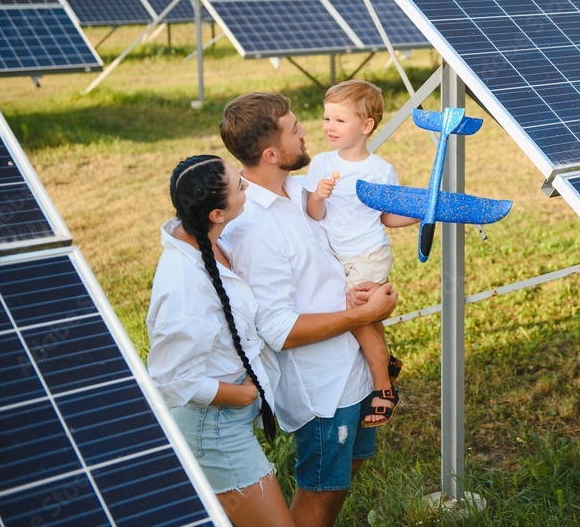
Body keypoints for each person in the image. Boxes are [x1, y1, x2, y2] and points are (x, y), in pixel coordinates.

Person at [219, 92, 398, 527]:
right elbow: (279, 329)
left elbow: (332, 267)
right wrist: (359, 317)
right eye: (295, 130)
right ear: (271, 153)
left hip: (350, 369)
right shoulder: (251, 228)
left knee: (344, 478)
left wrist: (363, 299)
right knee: (318, 499)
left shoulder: (298, 190)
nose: (307, 134)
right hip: (322, 389)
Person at [146, 155, 293, 527]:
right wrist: (244, 394)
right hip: (211, 429)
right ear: (216, 214)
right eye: (240, 185)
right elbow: (173, 378)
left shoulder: (211, 239)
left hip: (226, 421)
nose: (246, 183)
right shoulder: (184, 287)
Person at [304, 80, 418, 428]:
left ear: (366, 126)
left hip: (368, 254)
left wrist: (423, 212)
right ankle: (388, 364)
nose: (329, 127)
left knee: (359, 322)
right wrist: (319, 195)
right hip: (336, 256)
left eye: (339, 121)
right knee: (369, 321)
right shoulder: (322, 163)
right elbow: (314, 214)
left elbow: (386, 216)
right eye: (326, 119)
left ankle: (383, 388)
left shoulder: (379, 170)